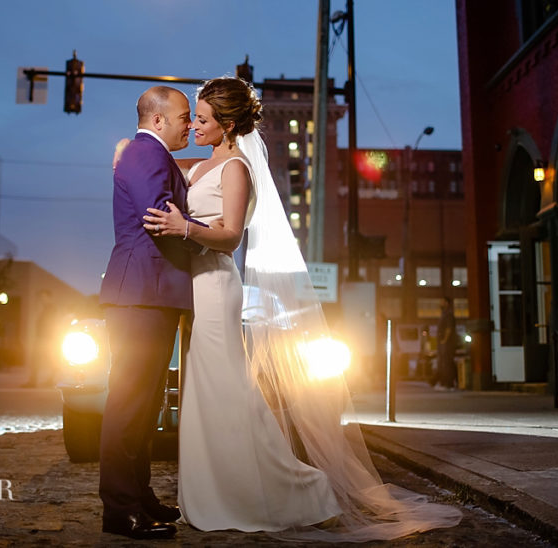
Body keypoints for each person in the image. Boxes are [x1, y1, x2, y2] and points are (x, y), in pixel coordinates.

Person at [143, 77, 462, 542]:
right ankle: (212, 493)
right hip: (195, 292)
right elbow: (162, 162)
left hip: (216, 286)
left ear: (228, 124)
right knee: (205, 396)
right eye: (193, 116)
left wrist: (184, 228)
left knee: (228, 394)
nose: (195, 125)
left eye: (204, 119)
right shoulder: (204, 163)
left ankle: (302, 490)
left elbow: (231, 235)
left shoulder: (237, 169)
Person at [98, 85, 206, 540]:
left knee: (145, 406)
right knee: (128, 405)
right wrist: (212, 235)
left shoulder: (149, 154)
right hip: (141, 293)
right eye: (184, 116)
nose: (190, 124)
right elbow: (159, 216)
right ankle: (119, 509)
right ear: (158, 120)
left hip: (153, 293)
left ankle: (139, 496)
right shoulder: (145, 154)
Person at [23, 289, 59, 388]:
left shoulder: (51, 310)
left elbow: (51, 325)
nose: (42, 300)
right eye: (41, 298)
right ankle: (46, 380)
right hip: (44, 338)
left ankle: (35, 381)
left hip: (46, 339)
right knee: (48, 360)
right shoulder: (45, 309)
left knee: (40, 359)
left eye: (44, 297)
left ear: (49, 297)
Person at [435, 296, 458, 391]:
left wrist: (444, 340)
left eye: (442, 301)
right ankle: (445, 383)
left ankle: (449, 384)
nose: (440, 303)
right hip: (443, 343)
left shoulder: (448, 315)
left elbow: (449, 328)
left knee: (447, 363)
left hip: (447, 344)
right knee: (443, 363)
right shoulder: (444, 314)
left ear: (447, 303)